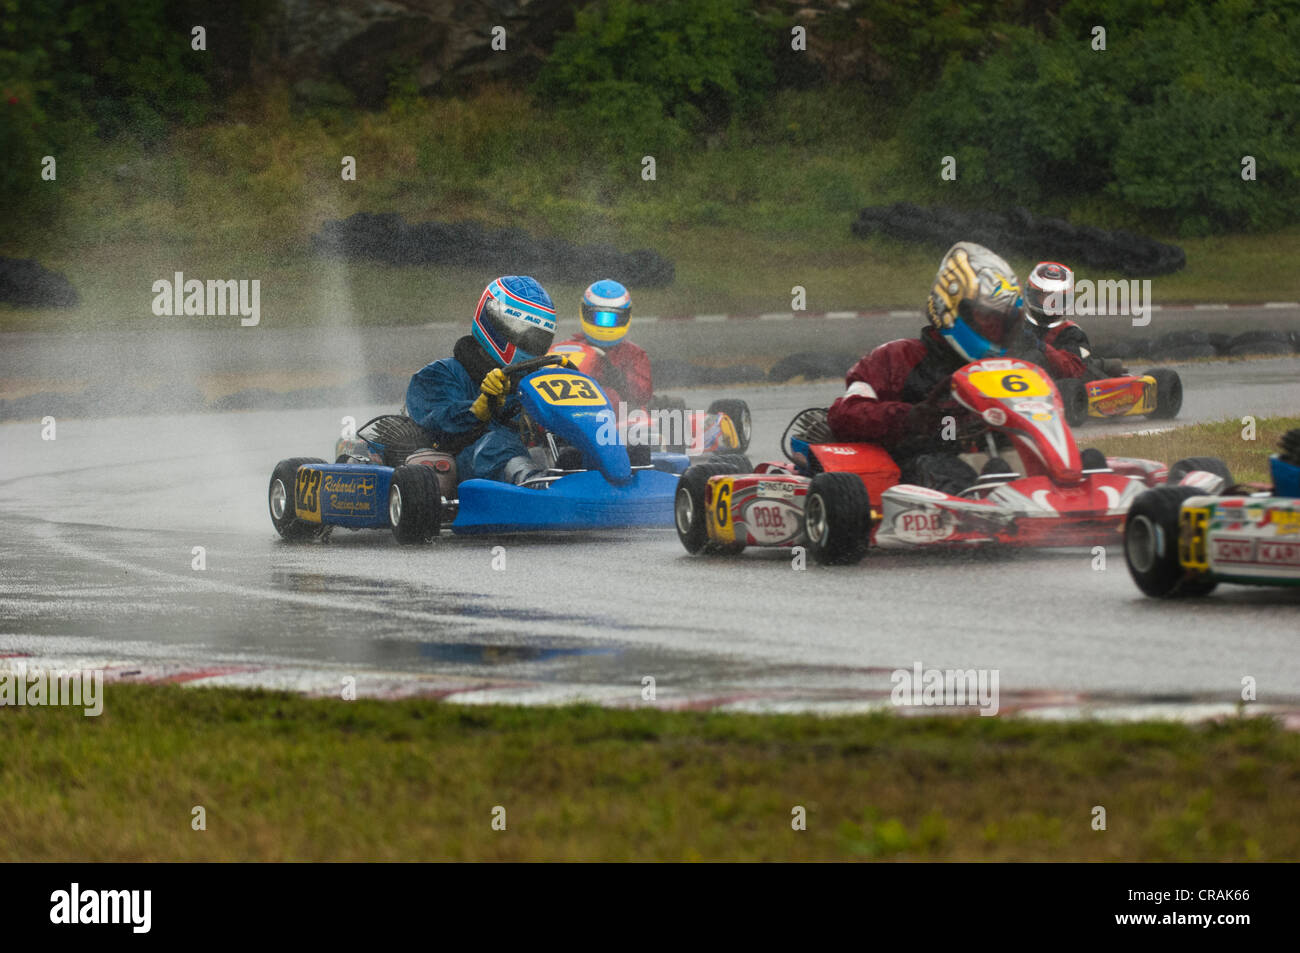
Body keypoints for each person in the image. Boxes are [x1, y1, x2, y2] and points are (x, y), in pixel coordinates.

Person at [827, 242, 1086, 493]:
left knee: (1088, 462)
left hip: (1000, 468)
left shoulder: (1009, 368)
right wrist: (912, 417)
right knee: (949, 471)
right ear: (950, 309)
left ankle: (1071, 492)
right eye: (990, 320)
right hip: (919, 470)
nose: (999, 331)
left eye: (1006, 323)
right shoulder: (896, 358)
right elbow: (844, 414)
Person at [404, 275, 558, 485]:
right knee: (497, 441)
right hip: (468, 465)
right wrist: (479, 409)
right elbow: (436, 423)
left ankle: (592, 481)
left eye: (539, 338)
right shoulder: (440, 374)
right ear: (493, 320)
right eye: (526, 334)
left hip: (533, 461)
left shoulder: (538, 383)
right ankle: (533, 483)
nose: (531, 344)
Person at [556, 279, 653, 410]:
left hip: (621, 418)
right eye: (598, 317)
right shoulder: (570, 347)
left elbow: (643, 395)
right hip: (575, 410)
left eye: (612, 319)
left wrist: (620, 382)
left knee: (610, 395)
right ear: (585, 313)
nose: (605, 324)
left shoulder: (633, 354)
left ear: (625, 317)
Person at [1023, 261, 1124, 379]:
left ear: (1065, 300)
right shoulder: (1019, 326)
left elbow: (1074, 369)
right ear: (1032, 295)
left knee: (1035, 356)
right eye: (1043, 297)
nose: (1049, 303)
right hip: (1013, 383)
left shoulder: (1071, 333)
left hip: (1056, 387)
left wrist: (1042, 348)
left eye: (1055, 299)